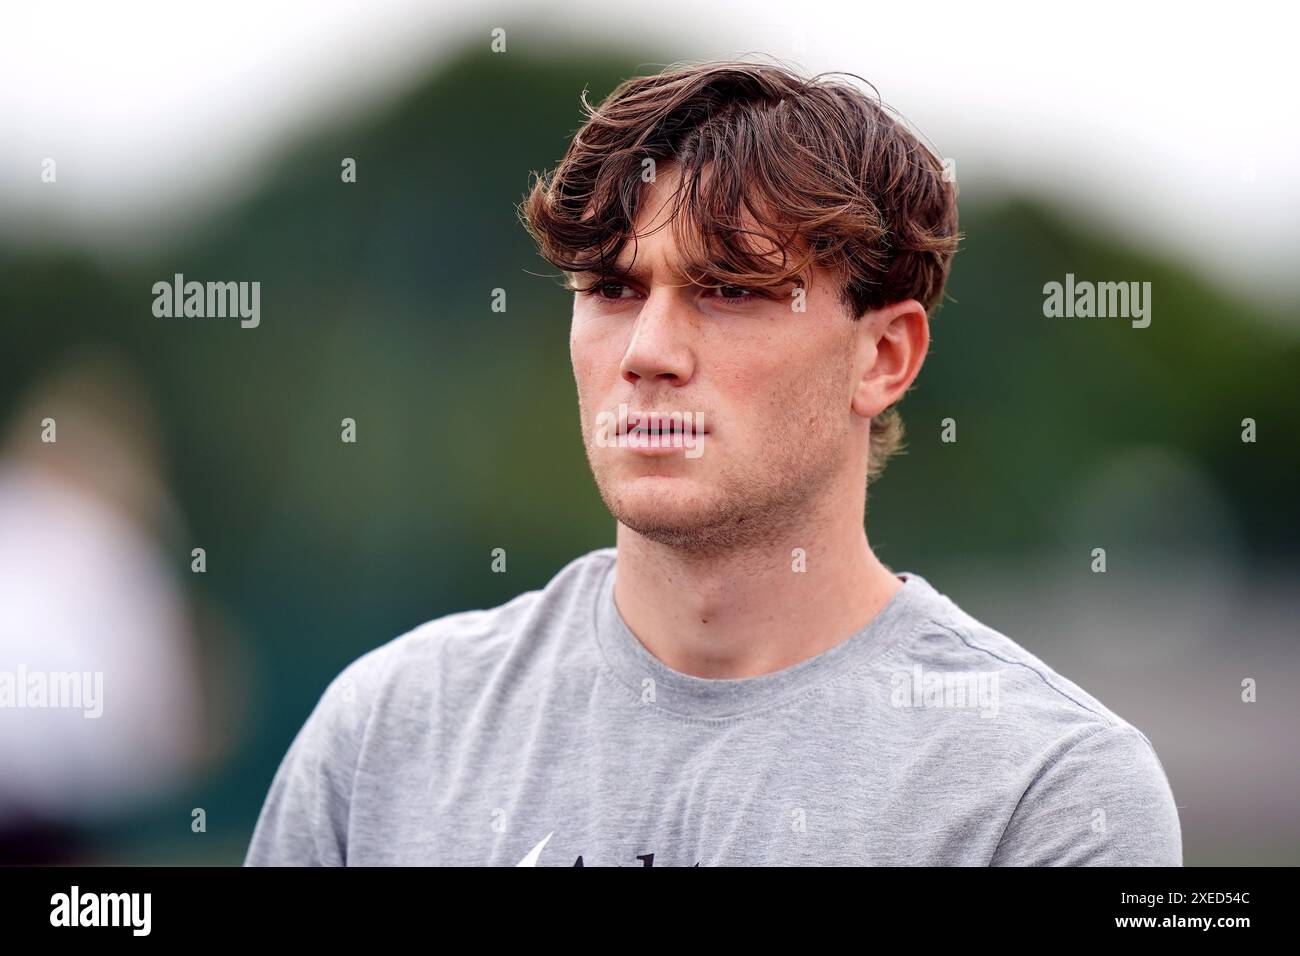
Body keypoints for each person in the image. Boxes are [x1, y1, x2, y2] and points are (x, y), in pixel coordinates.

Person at [246, 60, 1181, 866]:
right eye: (612, 288)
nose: (648, 349)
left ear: (884, 357)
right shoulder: (391, 733)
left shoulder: (1043, 789)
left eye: (731, 288)